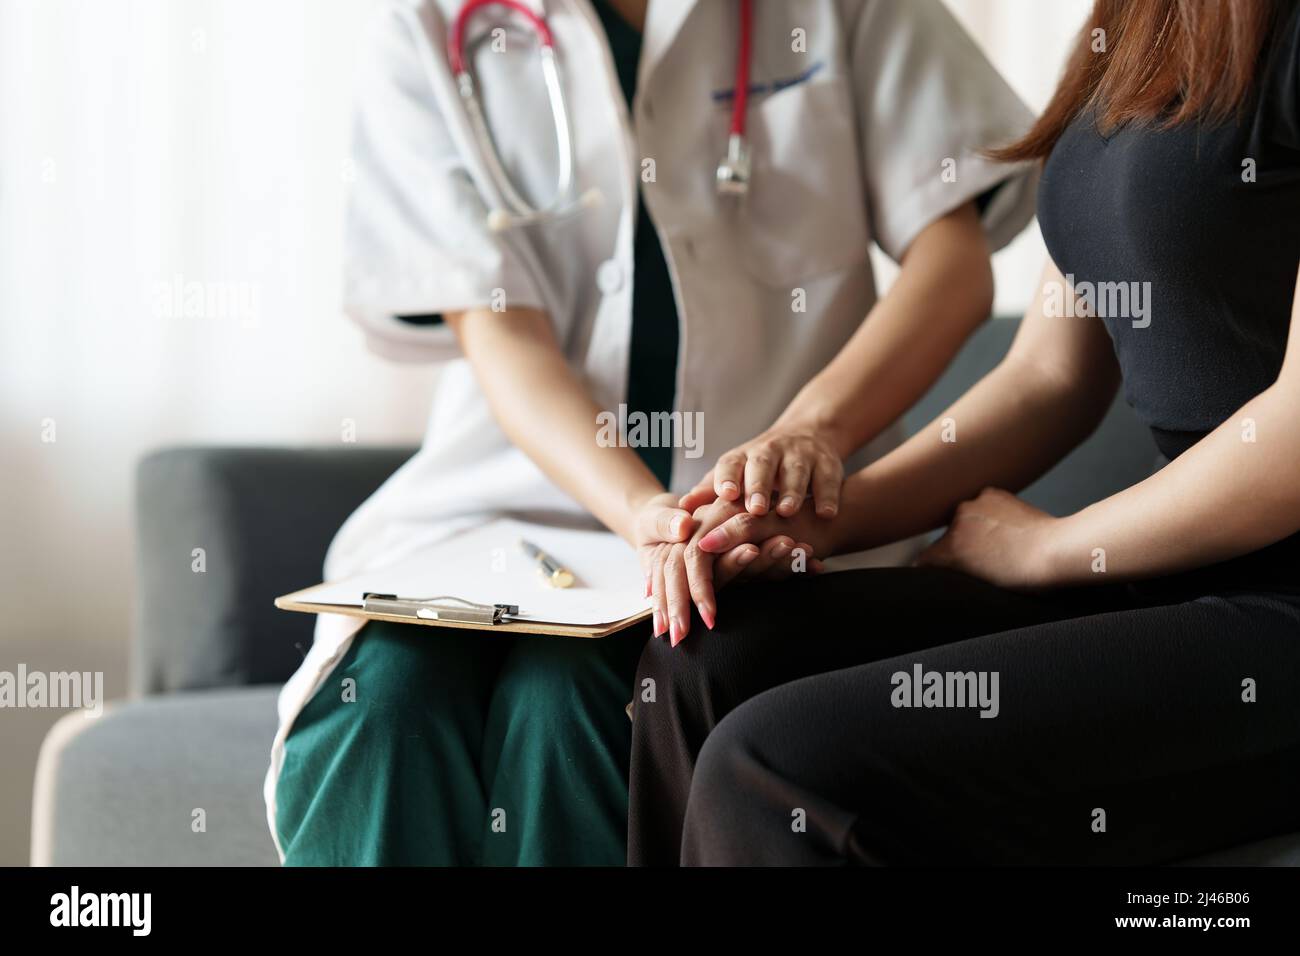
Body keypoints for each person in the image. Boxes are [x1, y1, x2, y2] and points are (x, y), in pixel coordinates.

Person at [264, 0, 1038, 865]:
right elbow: (498, 331)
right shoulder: (432, 22)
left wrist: (811, 430)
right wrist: (645, 515)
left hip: (755, 521)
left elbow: (953, 261)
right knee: (382, 702)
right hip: (508, 513)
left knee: (573, 705)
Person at [628, 0, 1300, 865]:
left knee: (775, 768)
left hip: (1276, 614)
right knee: (702, 667)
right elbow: (1049, 379)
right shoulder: (1135, 25)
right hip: (1169, 578)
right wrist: (825, 516)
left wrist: (1052, 548)